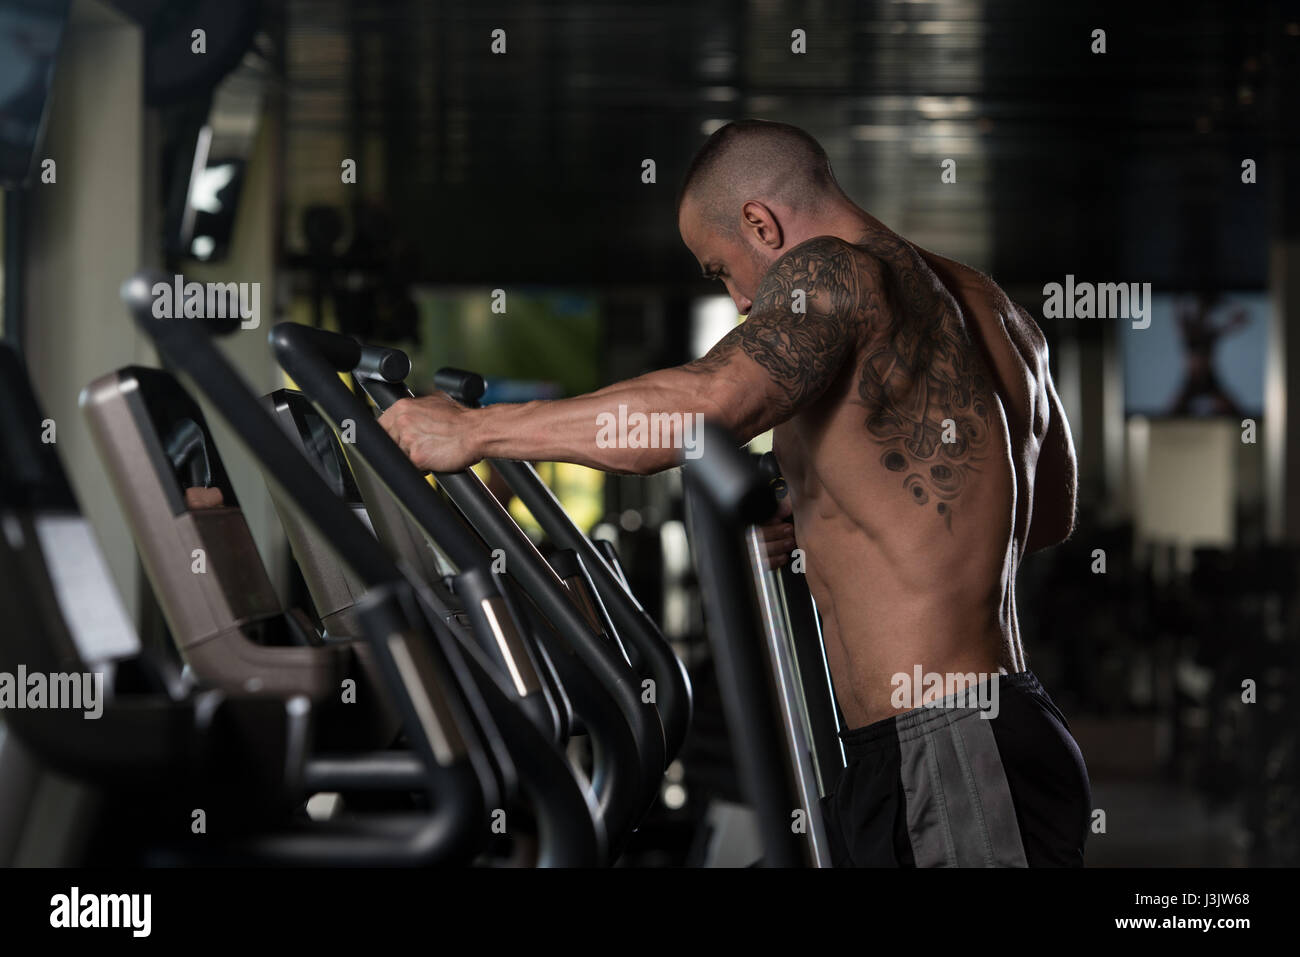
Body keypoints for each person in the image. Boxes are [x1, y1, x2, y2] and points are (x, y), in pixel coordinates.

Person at [379, 119, 1091, 867]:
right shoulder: (990, 304)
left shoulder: (831, 273)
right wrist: (829, 515)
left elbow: (702, 407)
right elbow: (1043, 514)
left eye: (722, 270)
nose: (744, 302)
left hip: (946, 749)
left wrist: (477, 433)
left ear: (761, 222)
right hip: (977, 726)